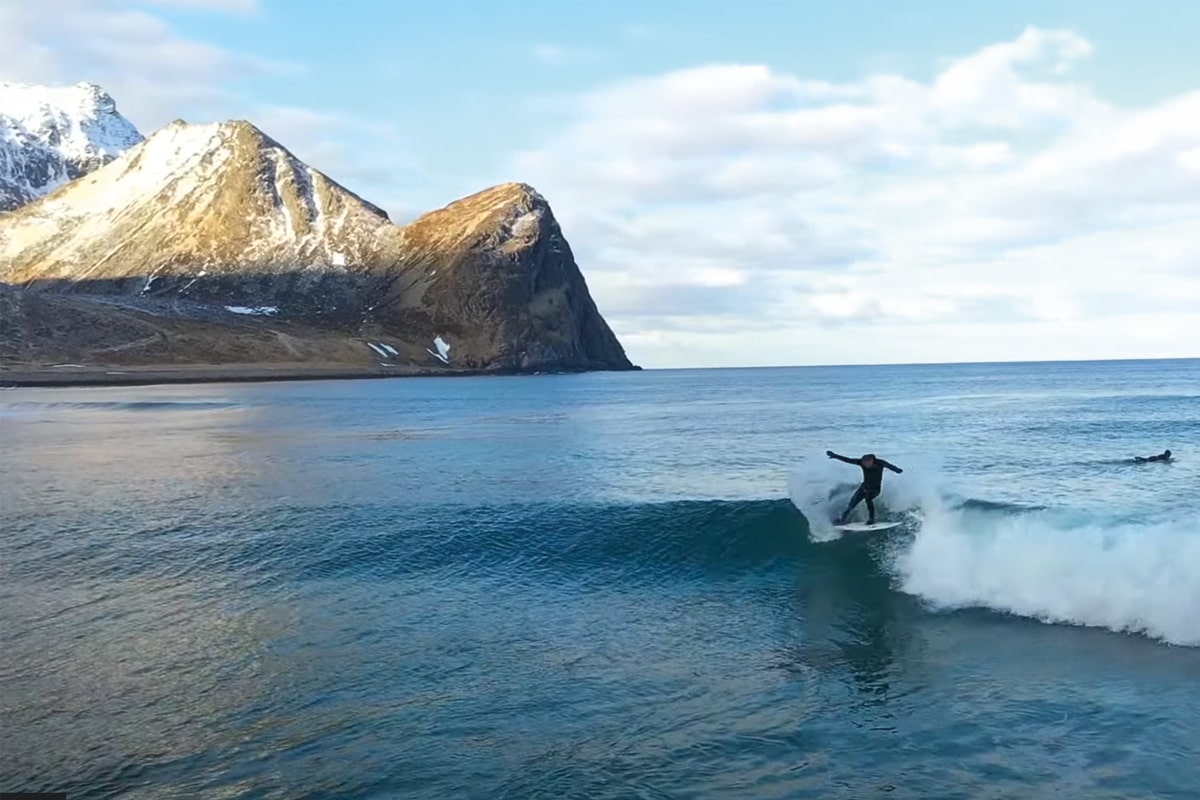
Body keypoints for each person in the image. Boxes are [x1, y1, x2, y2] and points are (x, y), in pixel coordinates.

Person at [826, 450, 903, 525]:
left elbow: (889, 466)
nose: (865, 465)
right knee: (852, 502)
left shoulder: (880, 463)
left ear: (872, 461)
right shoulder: (862, 463)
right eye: (863, 463)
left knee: (868, 499)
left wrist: (897, 470)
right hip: (864, 487)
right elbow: (848, 460)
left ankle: (871, 519)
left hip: (875, 489)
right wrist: (835, 455)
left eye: (866, 463)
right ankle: (842, 519)